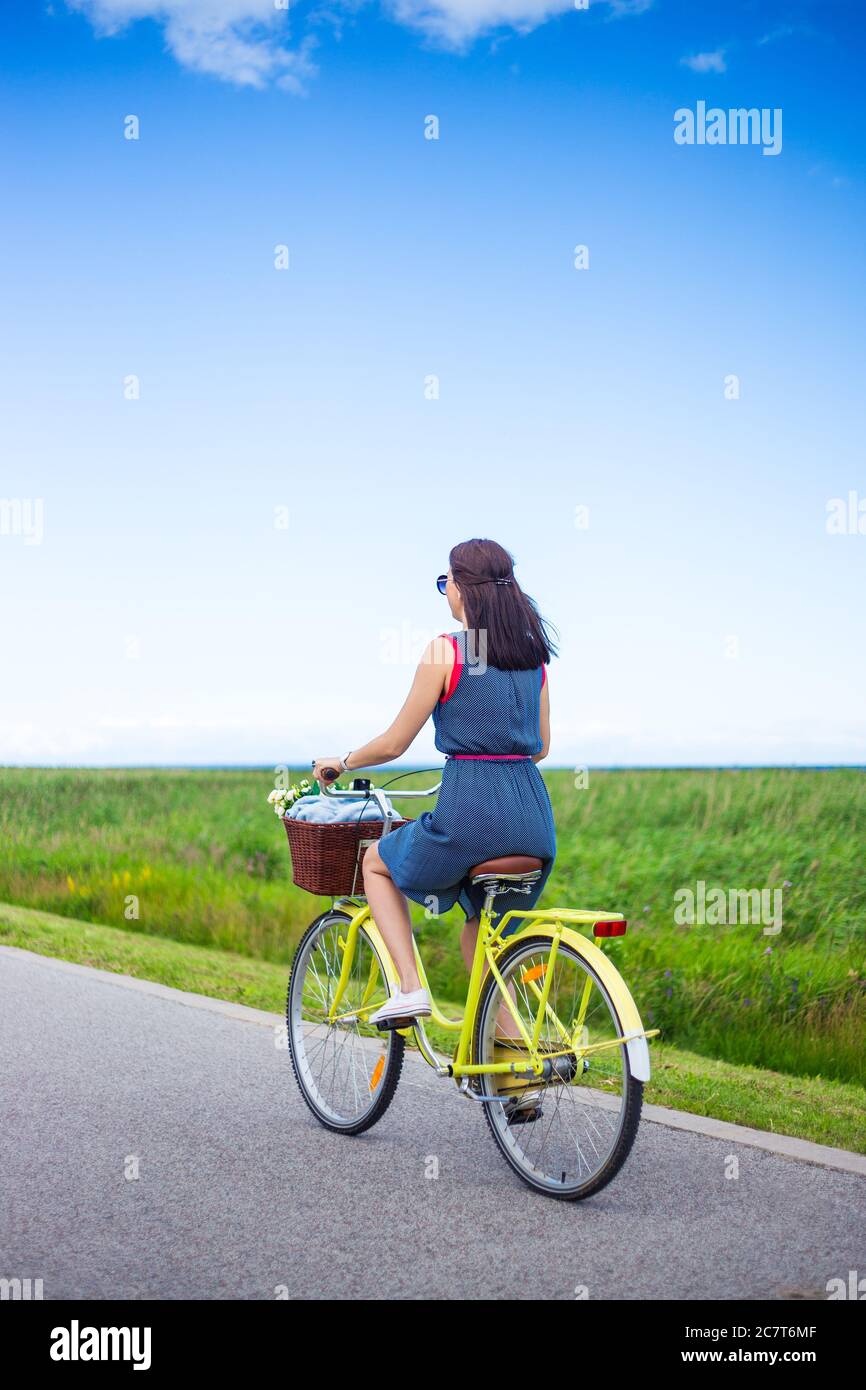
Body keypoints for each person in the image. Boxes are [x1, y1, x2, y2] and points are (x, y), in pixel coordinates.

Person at [311, 536, 557, 1033]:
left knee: (375, 863)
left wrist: (342, 761)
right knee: (480, 932)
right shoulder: (533, 659)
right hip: (533, 820)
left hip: (469, 811)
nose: (446, 592)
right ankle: (519, 1070)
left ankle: (409, 989)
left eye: (446, 581)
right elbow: (541, 748)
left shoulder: (446, 651)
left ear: (464, 589)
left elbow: (394, 744)